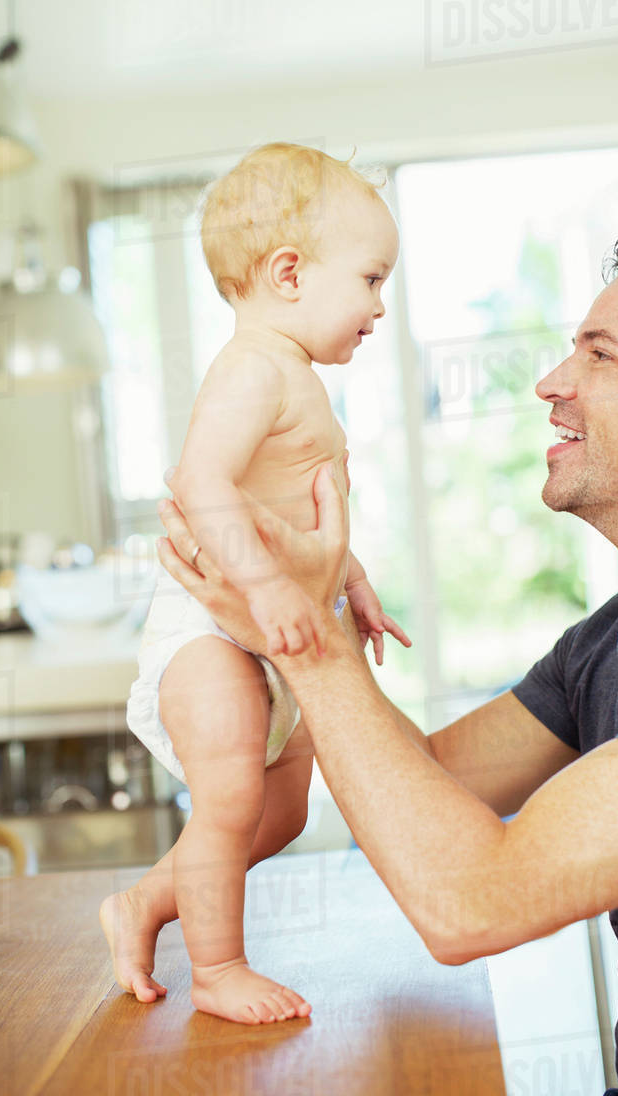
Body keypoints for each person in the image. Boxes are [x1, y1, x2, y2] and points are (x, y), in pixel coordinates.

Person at [155, 221, 618, 1096]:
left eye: (600, 357)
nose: (551, 383)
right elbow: (426, 786)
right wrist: (311, 611)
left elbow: (471, 903)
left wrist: (301, 639)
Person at [99, 143, 410, 1025]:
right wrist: (269, 593)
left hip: (271, 627)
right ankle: (221, 969)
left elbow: (302, 511)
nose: (379, 307)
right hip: (210, 627)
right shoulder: (252, 370)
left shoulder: (294, 375)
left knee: (279, 816)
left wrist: (348, 579)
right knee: (231, 798)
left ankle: (146, 901)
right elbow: (200, 483)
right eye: (371, 279)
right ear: (288, 273)